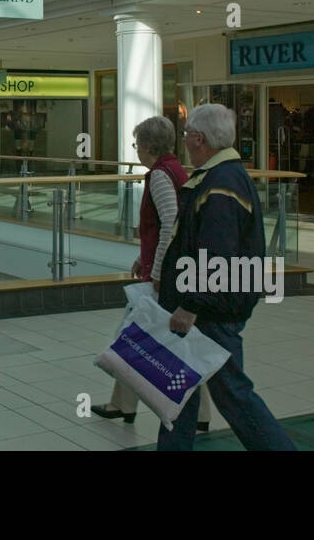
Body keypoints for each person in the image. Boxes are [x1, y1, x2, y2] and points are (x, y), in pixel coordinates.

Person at [157, 103, 296, 451]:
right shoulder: (222, 177)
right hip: (208, 308)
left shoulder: (221, 184)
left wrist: (191, 305)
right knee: (180, 393)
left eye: (187, 135)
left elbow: (217, 253)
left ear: (199, 139)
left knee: (233, 395)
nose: (185, 142)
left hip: (209, 314)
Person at [94, 117, 201, 425]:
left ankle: (123, 405)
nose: (136, 149)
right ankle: (123, 404)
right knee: (158, 339)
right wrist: (146, 257)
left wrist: (157, 270)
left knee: (135, 338)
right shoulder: (176, 169)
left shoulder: (159, 175)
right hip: (171, 269)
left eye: (136, 144)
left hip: (164, 276)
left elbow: (170, 221)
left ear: (148, 146)